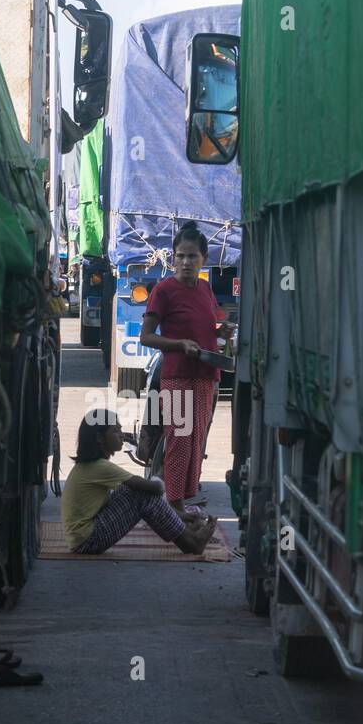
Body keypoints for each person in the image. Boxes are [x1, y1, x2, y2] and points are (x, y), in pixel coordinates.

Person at [139, 221, 231, 519]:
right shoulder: (164, 290)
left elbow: (205, 328)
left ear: (204, 259)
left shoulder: (205, 289)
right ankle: (173, 506)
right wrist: (179, 344)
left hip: (205, 376)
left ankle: (185, 499)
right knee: (179, 440)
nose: (186, 262)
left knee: (195, 443)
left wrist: (220, 331)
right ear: (173, 258)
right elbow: (146, 337)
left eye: (192, 256)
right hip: (177, 376)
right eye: (180, 256)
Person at [62, 409, 216, 555]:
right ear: (100, 438)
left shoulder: (90, 466)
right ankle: (191, 543)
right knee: (141, 493)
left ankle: (185, 530)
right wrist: (161, 473)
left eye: (120, 429)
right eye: (115, 431)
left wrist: (182, 515)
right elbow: (155, 488)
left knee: (133, 489)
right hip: (87, 541)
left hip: (82, 539)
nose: (122, 435)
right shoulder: (99, 467)